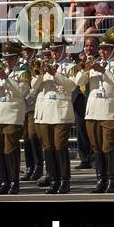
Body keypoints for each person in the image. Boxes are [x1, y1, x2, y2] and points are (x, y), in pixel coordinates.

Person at [79, 34, 114, 193]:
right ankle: (101, 179)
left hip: (110, 112)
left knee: (109, 147)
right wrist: (85, 70)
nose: (103, 52)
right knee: (97, 148)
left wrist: (104, 71)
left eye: (106, 49)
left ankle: (112, 180)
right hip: (93, 111)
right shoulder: (93, 64)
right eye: (101, 49)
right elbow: (78, 83)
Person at [31, 39, 78, 193]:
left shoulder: (71, 67)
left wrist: (55, 74)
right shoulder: (45, 67)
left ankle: (65, 181)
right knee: (48, 147)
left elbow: (71, 86)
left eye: (57, 50)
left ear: (64, 49)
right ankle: (54, 179)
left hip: (61, 111)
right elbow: (32, 90)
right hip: (46, 112)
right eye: (52, 50)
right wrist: (40, 75)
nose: (54, 53)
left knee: (60, 146)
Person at [0, 43, 29, 194]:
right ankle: (5, 181)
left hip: (13, 115)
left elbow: (22, 92)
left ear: (16, 58)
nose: (7, 61)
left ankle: (14, 182)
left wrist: (6, 78)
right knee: (0, 151)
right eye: (6, 58)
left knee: (10, 150)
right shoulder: (1, 71)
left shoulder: (23, 71)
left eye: (10, 58)